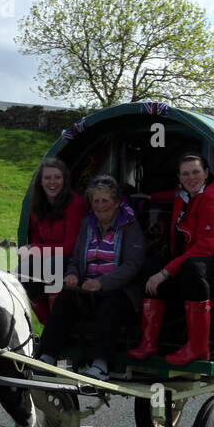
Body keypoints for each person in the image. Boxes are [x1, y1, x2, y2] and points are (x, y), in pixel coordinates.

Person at [127, 151, 214, 365]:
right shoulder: (185, 194)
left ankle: (198, 348)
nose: (192, 177)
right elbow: (172, 196)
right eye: (186, 174)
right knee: (152, 266)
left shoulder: (213, 198)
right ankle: (148, 343)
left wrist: (165, 273)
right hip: (202, 265)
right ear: (179, 177)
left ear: (207, 173)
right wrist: (148, 198)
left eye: (196, 172)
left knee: (190, 266)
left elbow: (205, 249)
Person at [37, 176, 145, 380]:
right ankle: (47, 356)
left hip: (120, 291)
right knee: (66, 298)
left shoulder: (130, 226)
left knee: (110, 305)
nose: (100, 205)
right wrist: (72, 274)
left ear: (115, 202)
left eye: (105, 201)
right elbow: (76, 260)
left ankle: (101, 364)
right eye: (96, 201)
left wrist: (101, 283)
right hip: (88, 290)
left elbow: (133, 265)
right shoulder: (87, 225)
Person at [25, 157, 87, 324]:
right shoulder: (37, 204)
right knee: (24, 270)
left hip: (74, 259)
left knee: (52, 266)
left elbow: (71, 247)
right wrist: (34, 252)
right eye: (47, 178)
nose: (52, 182)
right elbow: (37, 236)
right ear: (40, 181)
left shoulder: (75, 204)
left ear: (65, 180)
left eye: (57, 177)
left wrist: (36, 249)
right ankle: (45, 322)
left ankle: (56, 324)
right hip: (50, 256)